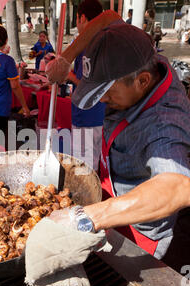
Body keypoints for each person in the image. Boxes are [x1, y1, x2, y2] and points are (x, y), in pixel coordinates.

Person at [45, 10, 190, 260]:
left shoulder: (164, 122)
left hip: (140, 228)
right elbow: (108, 17)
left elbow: (180, 187)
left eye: (107, 91)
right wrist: (66, 58)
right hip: (113, 195)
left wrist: (87, 218)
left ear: (142, 80)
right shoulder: (137, 51)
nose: (103, 100)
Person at [66, 0, 105, 171]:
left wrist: (68, 76)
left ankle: (89, 198)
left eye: (77, 19)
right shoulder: (101, 41)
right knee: (89, 164)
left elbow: (91, 86)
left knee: (84, 169)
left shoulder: (90, 44)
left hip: (88, 115)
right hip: (96, 115)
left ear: (82, 18)